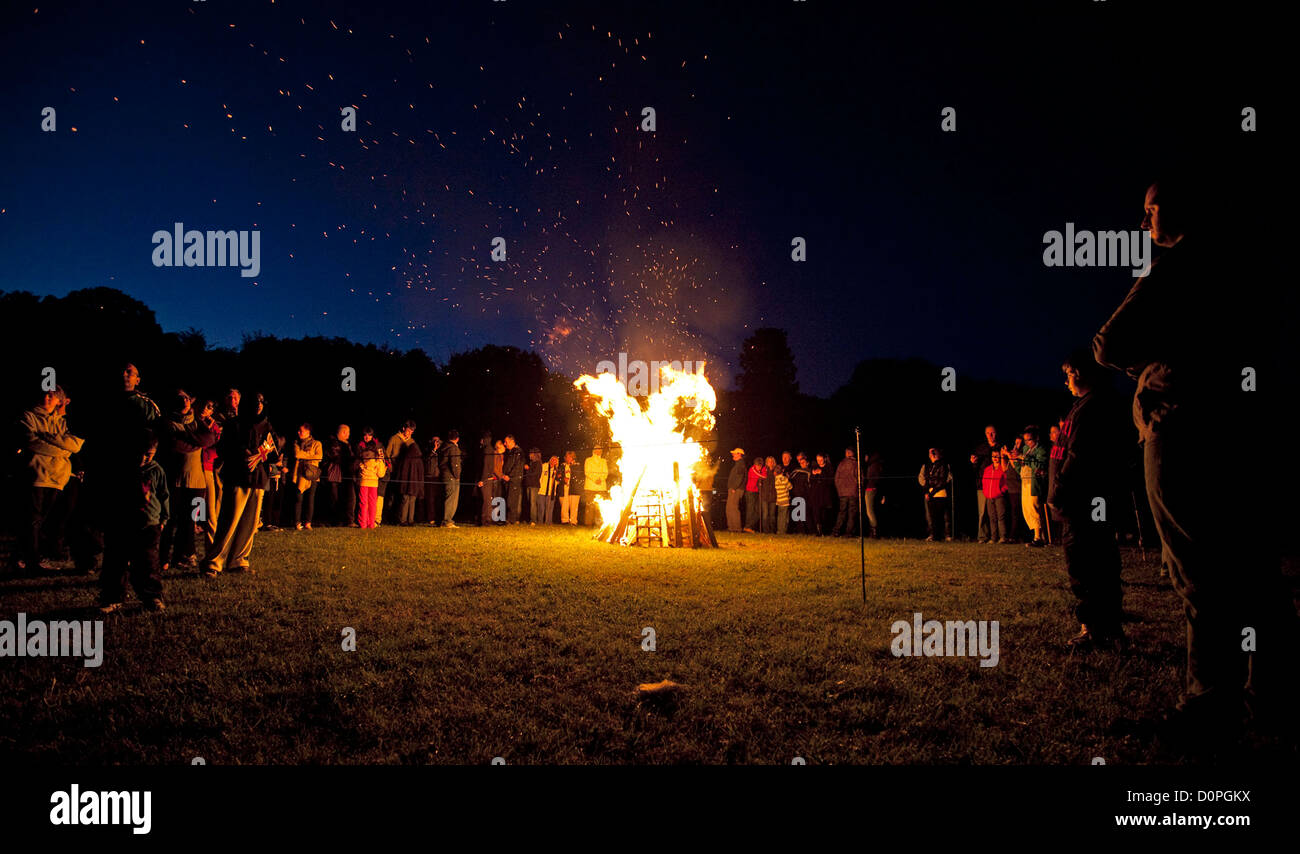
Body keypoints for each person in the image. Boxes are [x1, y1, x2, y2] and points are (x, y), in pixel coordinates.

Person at [1093, 176, 1294, 742]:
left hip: (1182, 427)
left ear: (1176, 211)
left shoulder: (1175, 265)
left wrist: (1147, 356)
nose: (1142, 224)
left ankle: (1209, 707)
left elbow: (1108, 344)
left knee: (1200, 573)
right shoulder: (1247, 266)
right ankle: (1269, 701)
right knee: (1254, 571)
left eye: (1149, 210)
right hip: (1244, 430)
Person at [1049, 349, 1129, 650]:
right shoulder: (1083, 405)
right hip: (1086, 501)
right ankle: (1107, 626)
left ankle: (1095, 627)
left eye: (1068, 373)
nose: (1066, 380)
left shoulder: (1094, 406)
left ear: (1079, 373)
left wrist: (1059, 491)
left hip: (1083, 502)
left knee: (1086, 563)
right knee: (1099, 560)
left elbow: (1079, 454)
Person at [203, 392, 275, 575]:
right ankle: (214, 562)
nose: (258, 405)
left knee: (249, 524)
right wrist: (241, 453)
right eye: (255, 401)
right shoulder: (234, 424)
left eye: (261, 402)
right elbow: (223, 448)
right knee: (229, 521)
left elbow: (274, 450)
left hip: (258, 479)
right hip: (237, 478)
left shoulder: (266, 426)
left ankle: (238, 560)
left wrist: (261, 455)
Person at [14, 386, 84, 572]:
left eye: (52, 395)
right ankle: (30, 559)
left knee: (46, 520)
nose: (47, 397)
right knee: (32, 520)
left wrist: (47, 437)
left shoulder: (62, 422)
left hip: (58, 477)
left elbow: (75, 445)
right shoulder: (28, 417)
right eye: (45, 393)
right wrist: (62, 447)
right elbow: (32, 442)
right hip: (36, 475)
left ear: (58, 400)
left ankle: (34, 556)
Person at [98, 430, 168, 613]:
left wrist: (164, 518)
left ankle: (152, 597)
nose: (143, 458)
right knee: (116, 560)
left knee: (148, 562)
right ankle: (112, 597)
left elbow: (163, 495)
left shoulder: (156, 471)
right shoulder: (120, 470)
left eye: (149, 454)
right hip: (122, 522)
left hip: (149, 523)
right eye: (140, 453)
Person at [161, 390, 216, 570]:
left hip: (197, 482)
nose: (184, 400)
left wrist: (186, 435)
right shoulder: (168, 422)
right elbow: (176, 445)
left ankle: (183, 555)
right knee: (170, 519)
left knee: (190, 521)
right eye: (180, 398)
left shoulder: (196, 422)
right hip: (175, 480)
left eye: (187, 397)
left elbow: (209, 438)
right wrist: (196, 441)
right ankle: (162, 557)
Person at [1010, 427, 1048, 546]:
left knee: (1033, 508)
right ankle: (1039, 537)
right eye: (1025, 440)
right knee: (1026, 509)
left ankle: (1038, 537)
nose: (1027, 443)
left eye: (1029, 440)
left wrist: (1022, 457)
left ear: (1036, 438)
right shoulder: (1026, 449)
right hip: (1025, 482)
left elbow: (1038, 465)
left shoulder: (1041, 450)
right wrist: (1015, 459)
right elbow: (1019, 467)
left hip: (1034, 483)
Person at [382, 420, 416, 526]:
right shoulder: (394, 438)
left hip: (405, 473)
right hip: (394, 471)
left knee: (402, 497)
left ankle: (398, 518)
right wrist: (390, 467)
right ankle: (386, 518)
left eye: (412, 431)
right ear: (403, 428)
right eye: (409, 430)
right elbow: (387, 454)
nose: (410, 433)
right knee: (391, 496)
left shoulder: (411, 441)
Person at [291, 423, 323, 530]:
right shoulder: (296, 443)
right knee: (298, 498)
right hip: (300, 475)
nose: (299, 432)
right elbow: (297, 455)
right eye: (299, 430)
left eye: (302, 431)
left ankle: (308, 522)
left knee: (310, 499)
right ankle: (297, 522)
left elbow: (319, 456)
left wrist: (304, 455)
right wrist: (310, 456)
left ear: (308, 432)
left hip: (312, 474)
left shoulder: (317, 443)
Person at [971, 425, 999, 543]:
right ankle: (983, 536)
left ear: (996, 433)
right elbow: (975, 468)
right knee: (983, 512)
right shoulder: (981, 449)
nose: (990, 435)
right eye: (988, 433)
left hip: (997, 483)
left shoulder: (1001, 447)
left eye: (992, 432)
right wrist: (973, 463)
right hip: (982, 484)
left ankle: (997, 536)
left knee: (997, 512)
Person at [323, 424, 356, 527]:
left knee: (346, 497)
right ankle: (335, 520)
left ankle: (346, 520)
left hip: (345, 474)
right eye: (348, 432)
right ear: (343, 432)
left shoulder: (346, 444)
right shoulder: (333, 443)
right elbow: (336, 456)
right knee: (334, 498)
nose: (349, 435)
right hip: (334, 474)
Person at [355, 432, 387, 529]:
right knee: (373, 504)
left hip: (364, 483)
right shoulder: (377, 460)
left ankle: (362, 524)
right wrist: (384, 467)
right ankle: (371, 524)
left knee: (363, 503)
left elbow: (359, 468)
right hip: (374, 484)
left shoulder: (362, 458)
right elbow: (381, 474)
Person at [919, 448, 952, 541]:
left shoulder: (944, 465)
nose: (932, 454)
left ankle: (946, 534)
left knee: (943, 515)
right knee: (931, 516)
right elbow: (923, 479)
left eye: (933, 452)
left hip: (940, 493)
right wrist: (926, 492)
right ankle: (933, 534)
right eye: (930, 452)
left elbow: (944, 479)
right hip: (929, 493)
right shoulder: (926, 466)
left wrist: (933, 491)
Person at [982, 450, 1010, 544]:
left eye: (997, 456)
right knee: (992, 517)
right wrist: (986, 493)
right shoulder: (988, 469)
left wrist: (1001, 491)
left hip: (999, 496)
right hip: (989, 497)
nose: (995, 458)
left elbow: (1006, 482)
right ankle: (994, 537)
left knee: (1001, 517)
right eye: (993, 456)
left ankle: (1003, 537)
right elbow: (984, 482)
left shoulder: (1003, 468)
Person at [395, 435, 424, 525]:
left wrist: (398, 482)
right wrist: (420, 487)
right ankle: (410, 520)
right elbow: (421, 474)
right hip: (415, 485)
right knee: (412, 501)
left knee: (405, 500)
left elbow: (400, 472)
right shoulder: (419, 460)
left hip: (405, 485)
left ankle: (403, 520)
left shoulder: (405, 459)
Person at [832, 448, 859, 537]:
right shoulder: (856, 464)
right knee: (852, 513)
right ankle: (849, 532)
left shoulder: (841, 464)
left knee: (842, 512)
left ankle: (836, 530)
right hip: (853, 492)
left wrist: (839, 490)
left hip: (842, 492)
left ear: (847, 453)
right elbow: (860, 478)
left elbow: (836, 478)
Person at [440, 430, 462, 527]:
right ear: (457, 439)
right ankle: (447, 520)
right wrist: (457, 476)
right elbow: (455, 464)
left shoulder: (444, 447)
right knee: (451, 499)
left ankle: (445, 519)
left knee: (447, 497)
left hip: (444, 475)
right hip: (452, 477)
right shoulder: (453, 448)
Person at [582, 445, 609, 527]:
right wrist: (595, 479)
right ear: (593, 450)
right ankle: (588, 524)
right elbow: (587, 472)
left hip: (601, 487)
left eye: (600, 449)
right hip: (590, 486)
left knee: (599, 507)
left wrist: (600, 479)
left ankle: (599, 524)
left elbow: (605, 472)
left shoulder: (603, 461)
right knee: (590, 506)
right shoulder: (588, 460)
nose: (599, 451)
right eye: (597, 449)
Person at [476, 433, 498, 526]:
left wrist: (482, 479)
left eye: (482, 439)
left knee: (486, 501)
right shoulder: (490, 450)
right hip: (488, 478)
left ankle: (485, 520)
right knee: (487, 500)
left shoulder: (487, 450)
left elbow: (485, 466)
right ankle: (486, 519)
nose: (480, 441)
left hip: (486, 479)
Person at [503, 435, 525, 524]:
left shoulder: (518, 452)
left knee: (512, 501)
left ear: (512, 441)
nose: (505, 444)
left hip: (514, 480)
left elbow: (517, 467)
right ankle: (509, 518)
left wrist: (510, 476)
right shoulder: (511, 452)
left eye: (506, 442)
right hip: (508, 479)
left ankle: (511, 519)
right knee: (509, 499)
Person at [809, 454, 833, 535]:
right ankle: (818, 531)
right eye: (817, 460)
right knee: (816, 512)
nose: (819, 462)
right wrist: (813, 474)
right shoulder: (814, 467)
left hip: (824, 494)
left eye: (821, 460)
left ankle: (825, 531)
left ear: (824, 459)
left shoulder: (828, 467)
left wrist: (822, 472)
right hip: (815, 494)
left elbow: (830, 481)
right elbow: (810, 481)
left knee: (824, 512)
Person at [788, 454, 812, 534]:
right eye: (801, 463)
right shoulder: (796, 470)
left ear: (807, 463)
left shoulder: (809, 472)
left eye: (803, 462)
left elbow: (810, 484)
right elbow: (789, 479)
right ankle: (799, 531)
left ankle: (809, 531)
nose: (802, 464)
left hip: (804, 495)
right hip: (795, 494)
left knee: (805, 514)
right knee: (796, 514)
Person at [725, 447, 746, 532]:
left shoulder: (740, 464)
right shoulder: (738, 464)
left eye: (734, 453)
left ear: (739, 454)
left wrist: (734, 487)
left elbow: (740, 477)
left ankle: (736, 528)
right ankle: (731, 527)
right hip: (734, 489)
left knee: (733, 508)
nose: (732, 454)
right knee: (729, 508)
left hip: (736, 489)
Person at [863, 451, 883, 538]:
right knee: (871, 510)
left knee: (869, 511)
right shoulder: (876, 465)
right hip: (872, 488)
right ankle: (872, 531)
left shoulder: (873, 466)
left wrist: (866, 480)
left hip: (871, 489)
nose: (865, 458)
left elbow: (874, 478)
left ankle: (874, 531)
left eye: (866, 456)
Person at [743, 456, 766, 533]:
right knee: (750, 510)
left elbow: (764, 474)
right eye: (758, 465)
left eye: (760, 466)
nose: (759, 467)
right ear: (755, 465)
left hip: (756, 492)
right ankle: (747, 526)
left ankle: (749, 526)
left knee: (758, 511)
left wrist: (763, 469)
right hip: (750, 492)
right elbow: (764, 476)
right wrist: (762, 471)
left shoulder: (761, 469)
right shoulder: (752, 469)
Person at [423, 435, 442, 526]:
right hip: (429, 477)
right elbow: (426, 460)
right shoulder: (427, 450)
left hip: (438, 477)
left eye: (438, 441)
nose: (436, 442)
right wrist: (433, 450)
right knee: (430, 499)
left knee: (438, 499)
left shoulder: (441, 451)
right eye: (434, 440)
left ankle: (438, 518)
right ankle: (431, 518)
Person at [558, 450, 581, 525]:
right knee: (564, 505)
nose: (568, 458)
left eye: (570, 457)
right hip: (564, 488)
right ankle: (565, 520)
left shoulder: (577, 465)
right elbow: (558, 476)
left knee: (574, 506)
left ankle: (573, 521)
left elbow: (578, 476)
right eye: (567, 457)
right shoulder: (562, 465)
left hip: (574, 489)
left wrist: (572, 465)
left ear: (573, 458)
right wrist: (563, 478)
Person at [537, 453, 560, 524]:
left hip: (551, 492)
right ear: (550, 460)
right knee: (541, 508)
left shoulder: (557, 470)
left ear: (557, 462)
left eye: (555, 460)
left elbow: (558, 482)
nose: (553, 461)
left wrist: (557, 477)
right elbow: (539, 477)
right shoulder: (544, 466)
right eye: (552, 459)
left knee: (549, 508)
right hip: (541, 490)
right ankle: (540, 522)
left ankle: (548, 522)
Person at [759, 455, 778, 533]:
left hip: (773, 496)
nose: (770, 463)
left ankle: (772, 530)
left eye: (771, 461)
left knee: (772, 515)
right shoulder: (763, 470)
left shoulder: (776, 471)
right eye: (768, 461)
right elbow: (760, 480)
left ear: (773, 462)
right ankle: (766, 531)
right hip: (764, 496)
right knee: (765, 515)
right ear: (766, 462)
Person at [525, 447, 543, 525]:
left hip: (534, 485)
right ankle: (530, 519)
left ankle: (533, 520)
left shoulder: (538, 463)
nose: (529, 455)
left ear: (535, 454)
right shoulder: (532, 463)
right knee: (530, 503)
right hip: (529, 484)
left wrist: (528, 469)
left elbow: (535, 474)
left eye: (531, 453)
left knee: (533, 503)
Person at [774, 464, 792, 534]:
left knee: (779, 517)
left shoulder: (776, 479)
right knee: (785, 517)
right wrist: (788, 478)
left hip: (779, 500)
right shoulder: (784, 479)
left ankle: (779, 530)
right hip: (785, 500)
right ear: (782, 471)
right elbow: (790, 487)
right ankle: (783, 531)